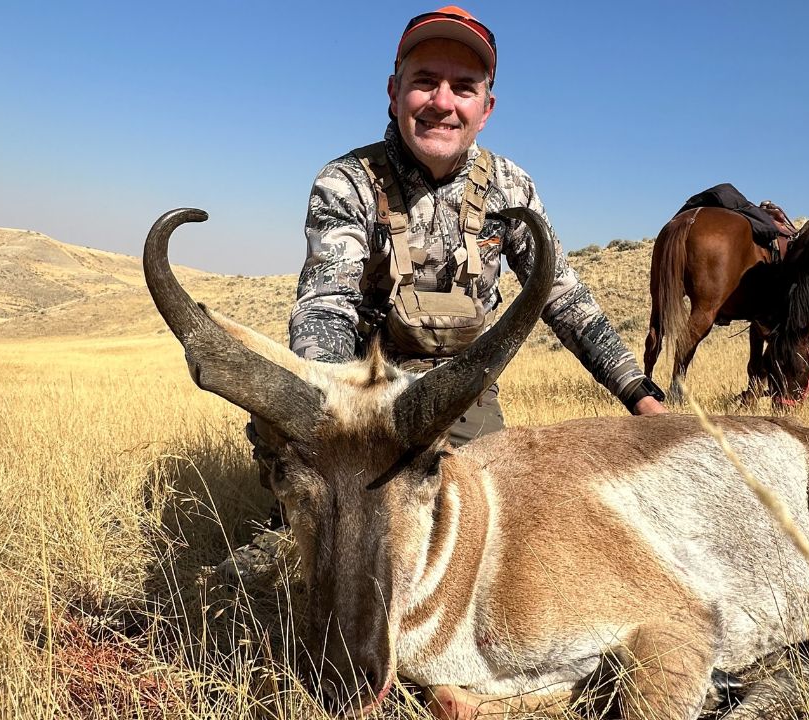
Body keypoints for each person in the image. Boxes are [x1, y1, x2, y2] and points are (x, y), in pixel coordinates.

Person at [218, 6, 665, 585]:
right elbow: (326, 301)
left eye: (464, 88)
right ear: (394, 89)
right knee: (323, 540)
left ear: (486, 109)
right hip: (362, 396)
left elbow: (564, 298)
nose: (442, 102)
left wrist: (641, 397)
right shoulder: (347, 181)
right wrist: (339, 419)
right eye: (425, 81)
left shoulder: (512, 188)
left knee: (494, 545)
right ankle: (285, 539)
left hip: (459, 400)